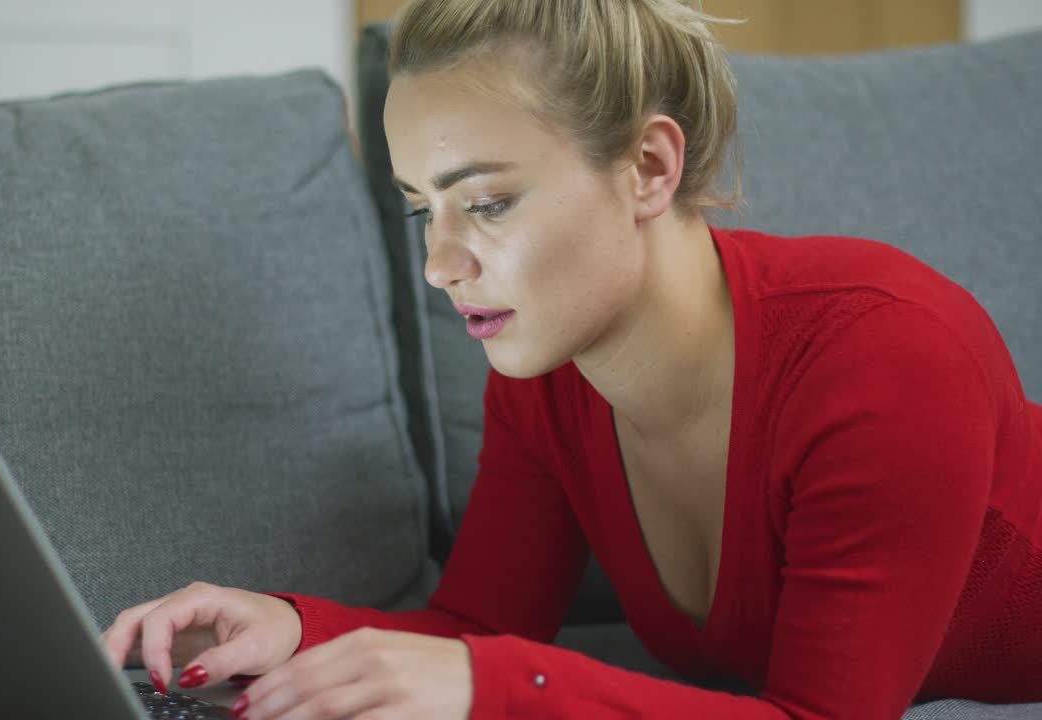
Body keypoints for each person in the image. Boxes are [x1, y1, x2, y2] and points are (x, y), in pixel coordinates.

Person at [101, 0, 1042, 717]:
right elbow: (477, 629)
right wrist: (292, 626)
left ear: (648, 169)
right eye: (425, 208)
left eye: (491, 202)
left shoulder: (883, 355)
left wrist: (492, 688)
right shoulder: (548, 372)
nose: (437, 265)